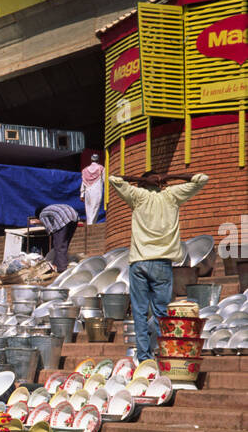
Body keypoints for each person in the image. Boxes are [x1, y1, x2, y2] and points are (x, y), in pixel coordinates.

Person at [109, 169, 209, 362]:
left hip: (139, 263)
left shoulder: (138, 195)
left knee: (139, 312)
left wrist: (140, 179)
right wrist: (170, 178)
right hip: (162, 264)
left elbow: (114, 179)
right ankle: (164, 352)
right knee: (161, 313)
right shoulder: (171, 195)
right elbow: (201, 179)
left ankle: (145, 357)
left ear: (142, 185)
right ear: (160, 183)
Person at [38, 202, 81, 273]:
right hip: (74, 216)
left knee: (59, 245)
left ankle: (62, 268)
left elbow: (50, 228)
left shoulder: (41, 214)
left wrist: (53, 237)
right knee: (65, 243)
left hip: (64, 218)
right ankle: (58, 263)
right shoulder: (50, 208)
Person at [80, 154, 105, 225]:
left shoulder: (85, 170)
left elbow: (83, 183)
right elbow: (104, 180)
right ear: (98, 160)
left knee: (88, 209)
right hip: (96, 190)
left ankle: (90, 224)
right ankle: (91, 225)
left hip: (87, 191)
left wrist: (82, 194)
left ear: (91, 160)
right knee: (95, 208)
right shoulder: (101, 168)